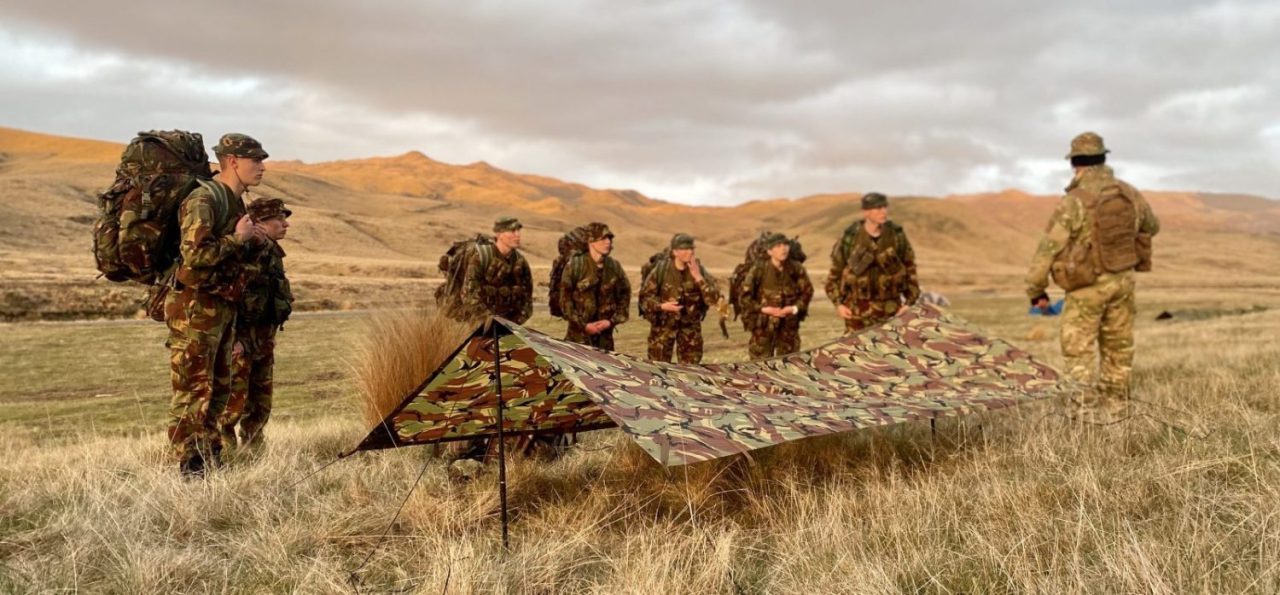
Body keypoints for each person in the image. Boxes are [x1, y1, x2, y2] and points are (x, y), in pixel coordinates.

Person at [1026, 131, 1160, 421]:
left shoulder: (1074, 201)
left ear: (1076, 164)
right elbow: (1152, 225)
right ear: (1102, 159)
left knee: (1078, 351)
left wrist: (1036, 290)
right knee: (1119, 346)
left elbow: (1048, 249)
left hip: (1086, 286)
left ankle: (1084, 415)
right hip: (1123, 281)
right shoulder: (1128, 192)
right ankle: (1117, 409)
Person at [164, 133, 267, 477]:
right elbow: (195, 257)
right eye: (256, 160)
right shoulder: (203, 199)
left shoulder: (233, 203)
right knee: (194, 387)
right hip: (195, 307)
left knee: (219, 386)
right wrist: (237, 240)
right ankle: (190, 465)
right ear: (233, 161)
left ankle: (209, 456)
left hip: (221, 307)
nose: (262, 167)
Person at [217, 197, 294, 453]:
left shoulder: (270, 251)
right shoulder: (246, 249)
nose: (285, 225)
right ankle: (224, 450)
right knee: (233, 399)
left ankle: (254, 449)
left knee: (260, 399)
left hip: (263, 337)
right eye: (279, 219)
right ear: (260, 222)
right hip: (242, 338)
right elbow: (231, 297)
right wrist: (234, 338)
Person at [824, 192, 921, 333]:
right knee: (855, 352)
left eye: (885, 207)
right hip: (856, 311)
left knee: (891, 352)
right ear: (866, 212)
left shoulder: (896, 236)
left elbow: (910, 269)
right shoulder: (850, 238)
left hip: (891, 309)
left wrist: (909, 302)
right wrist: (838, 304)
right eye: (878, 208)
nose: (884, 211)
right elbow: (835, 274)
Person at [639, 233, 720, 364]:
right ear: (675, 252)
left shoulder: (699, 270)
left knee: (691, 372)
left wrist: (698, 277)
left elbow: (714, 299)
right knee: (659, 370)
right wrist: (661, 306)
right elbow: (644, 299)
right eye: (685, 249)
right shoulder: (661, 271)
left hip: (690, 331)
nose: (690, 252)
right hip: (663, 329)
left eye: (692, 249)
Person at [558, 222, 631, 350]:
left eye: (609, 238)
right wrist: (583, 325)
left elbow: (625, 294)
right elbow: (565, 301)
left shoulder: (614, 267)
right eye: (603, 238)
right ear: (591, 241)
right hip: (578, 338)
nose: (608, 242)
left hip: (605, 339)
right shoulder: (576, 265)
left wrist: (611, 321)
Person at [739, 233, 813, 359]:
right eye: (778, 246)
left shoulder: (795, 268)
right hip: (763, 326)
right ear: (769, 251)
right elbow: (744, 297)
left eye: (785, 245)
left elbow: (807, 291)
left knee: (790, 365)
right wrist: (762, 309)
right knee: (759, 366)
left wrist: (794, 308)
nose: (783, 249)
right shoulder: (759, 269)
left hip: (788, 326)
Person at [459, 216, 533, 324]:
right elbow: (468, 294)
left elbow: (527, 299)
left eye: (518, 231)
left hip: (510, 326)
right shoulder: (482, 257)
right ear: (499, 234)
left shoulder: (520, 262)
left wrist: (515, 323)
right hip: (480, 323)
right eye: (512, 231)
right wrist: (487, 321)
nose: (518, 235)